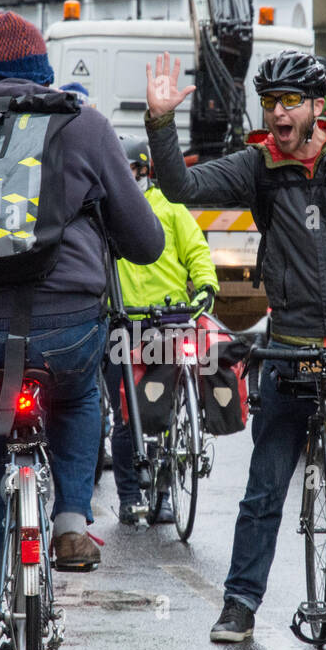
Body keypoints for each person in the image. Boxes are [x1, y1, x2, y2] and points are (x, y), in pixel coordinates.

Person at [0, 11, 164, 650]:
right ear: (42, 72)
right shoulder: (82, 125)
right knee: (84, 391)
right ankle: (70, 523)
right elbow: (145, 242)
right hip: (65, 330)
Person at [143, 48, 326, 644]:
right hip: (289, 351)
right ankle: (240, 603)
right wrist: (161, 124)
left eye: (290, 102)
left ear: (318, 107)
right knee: (264, 488)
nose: (278, 114)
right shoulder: (260, 166)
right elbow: (180, 188)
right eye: (269, 103)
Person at [108, 134, 219, 526]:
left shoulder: (171, 207)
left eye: (133, 171)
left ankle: (165, 490)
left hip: (168, 322)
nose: (128, 177)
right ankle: (129, 496)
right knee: (127, 416)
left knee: (167, 413)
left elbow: (197, 251)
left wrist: (205, 285)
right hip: (122, 324)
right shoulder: (107, 210)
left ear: (145, 171)